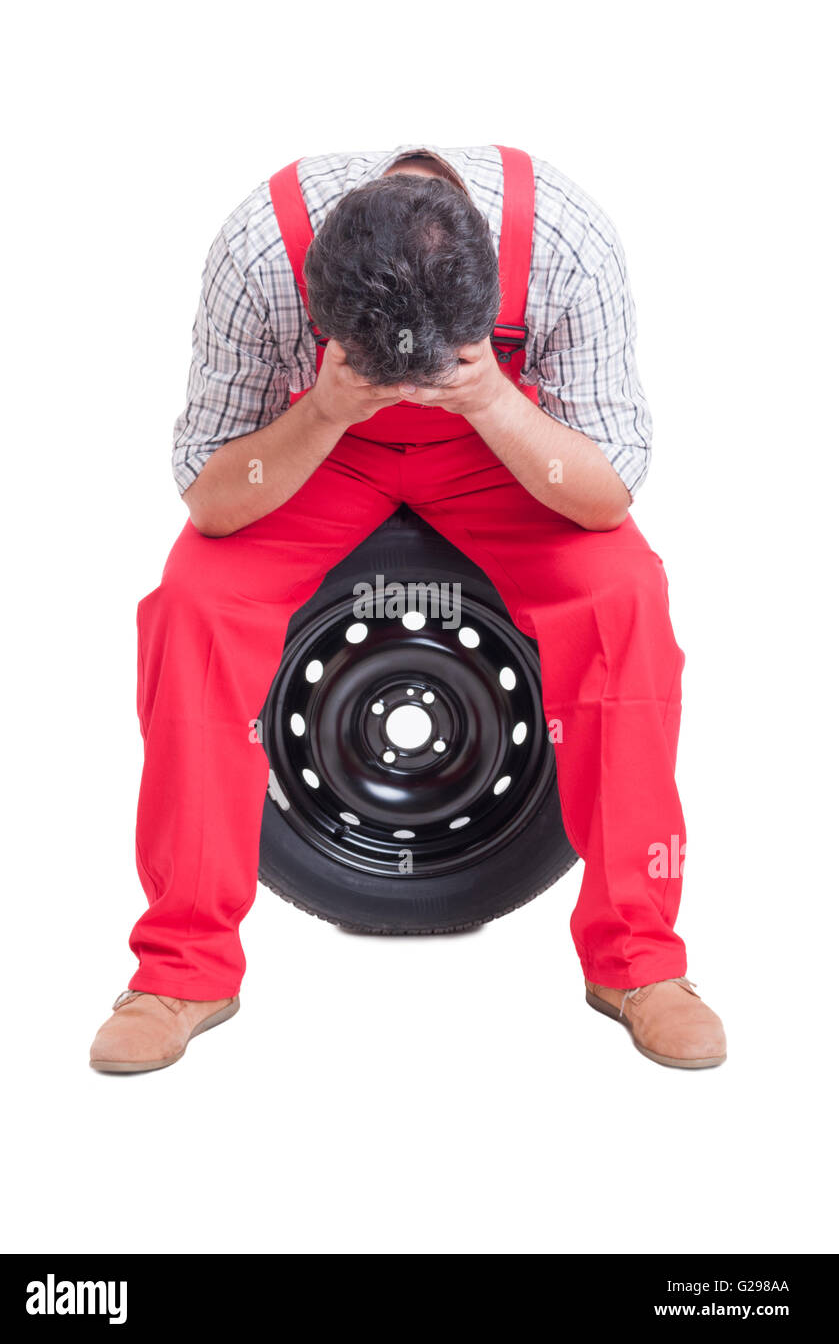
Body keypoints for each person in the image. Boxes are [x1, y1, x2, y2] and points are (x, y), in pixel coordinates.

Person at [89, 144, 726, 1074]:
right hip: (314, 449)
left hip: (510, 448)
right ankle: (183, 969)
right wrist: (329, 409)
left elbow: (602, 498)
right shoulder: (259, 251)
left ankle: (638, 961)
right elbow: (216, 500)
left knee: (623, 596)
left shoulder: (566, 245)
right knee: (194, 607)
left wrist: (485, 393)